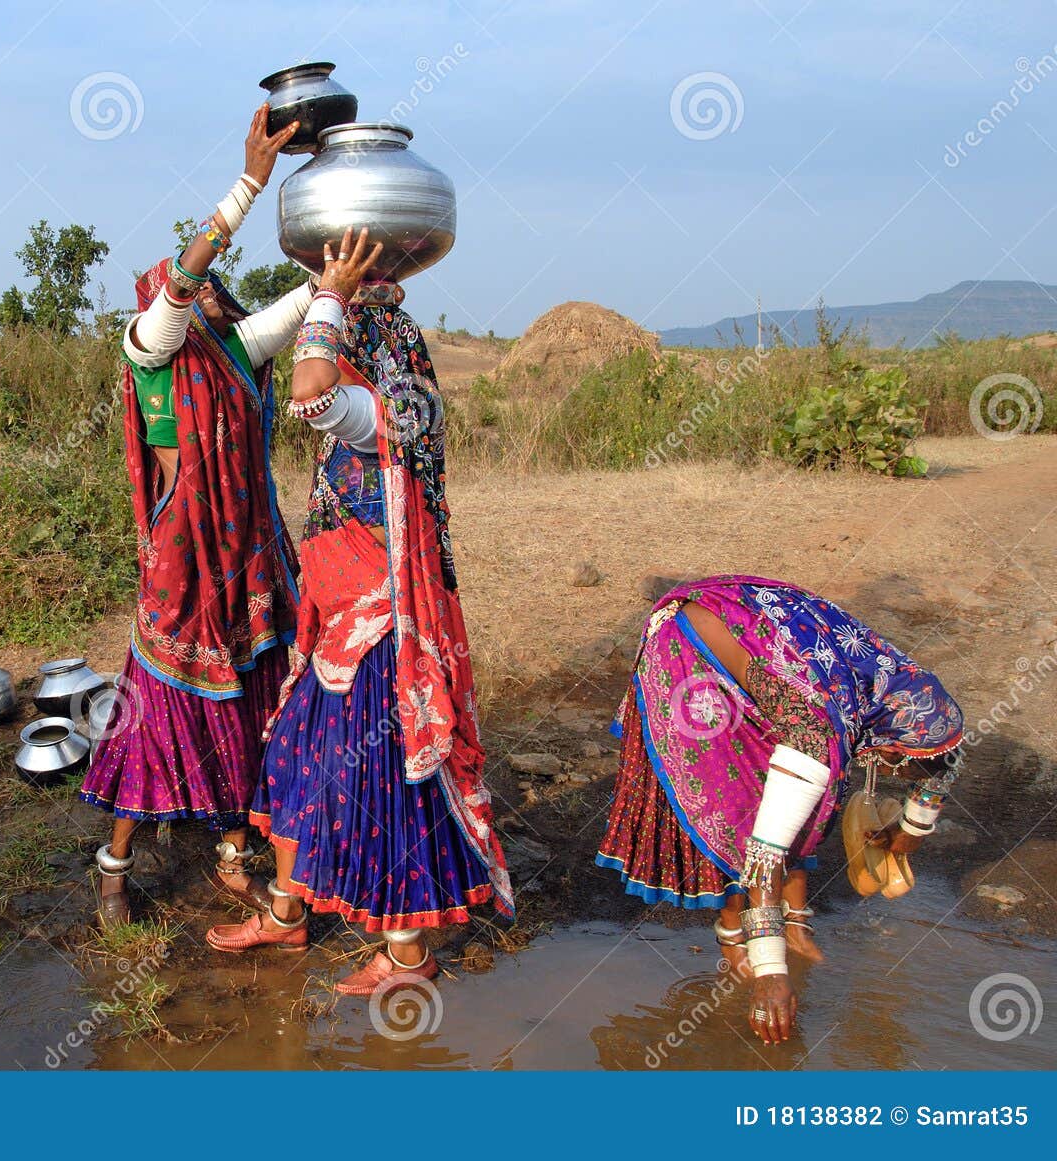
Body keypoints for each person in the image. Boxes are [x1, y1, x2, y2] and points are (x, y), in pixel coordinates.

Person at [204, 229, 514, 996]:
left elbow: (309, 392)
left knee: (383, 778)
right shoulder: (379, 394)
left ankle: (407, 953)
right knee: (290, 757)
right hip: (340, 610)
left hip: (383, 621)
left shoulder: (393, 411)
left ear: (368, 359)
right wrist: (326, 291)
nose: (333, 362)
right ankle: (285, 912)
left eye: (345, 351)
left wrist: (332, 296)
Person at [81, 105, 312, 928]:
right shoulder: (152, 346)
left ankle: (228, 849)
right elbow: (182, 280)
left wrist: (343, 261)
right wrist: (251, 183)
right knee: (162, 712)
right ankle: (113, 866)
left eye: (217, 288)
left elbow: (298, 307)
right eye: (201, 285)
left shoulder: (231, 352)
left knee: (252, 702)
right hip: (182, 575)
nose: (214, 289)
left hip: (244, 562)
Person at [596, 575, 965, 1044]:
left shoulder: (903, 689)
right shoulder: (819, 732)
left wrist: (911, 829)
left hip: (764, 635)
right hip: (691, 647)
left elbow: (942, 755)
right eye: (895, 764)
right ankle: (733, 933)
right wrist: (772, 975)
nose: (891, 770)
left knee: (800, 801)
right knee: (736, 806)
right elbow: (765, 856)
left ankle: (793, 921)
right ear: (891, 745)